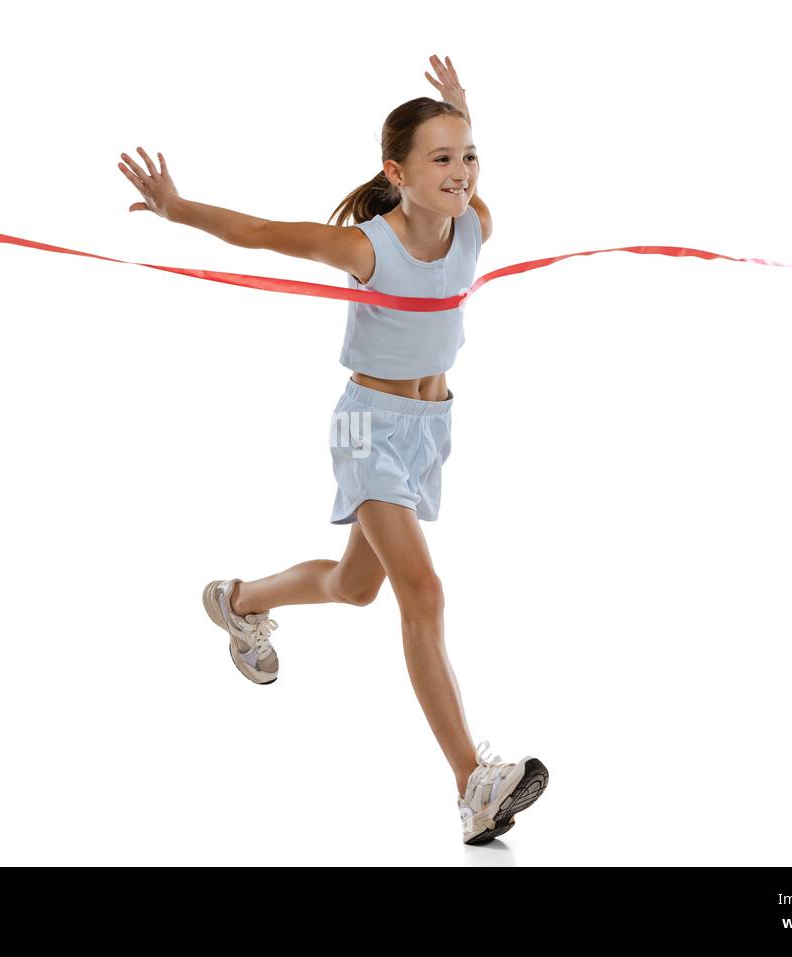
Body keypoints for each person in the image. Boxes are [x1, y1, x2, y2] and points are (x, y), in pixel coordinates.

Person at [118, 55, 548, 845]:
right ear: (397, 171)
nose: (460, 173)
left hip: (430, 426)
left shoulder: (476, 225)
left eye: (468, 156)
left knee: (358, 586)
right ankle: (472, 782)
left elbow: (466, 186)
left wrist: (459, 112)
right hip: (366, 425)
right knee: (423, 592)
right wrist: (178, 209)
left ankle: (239, 600)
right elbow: (262, 234)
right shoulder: (367, 248)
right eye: (442, 158)